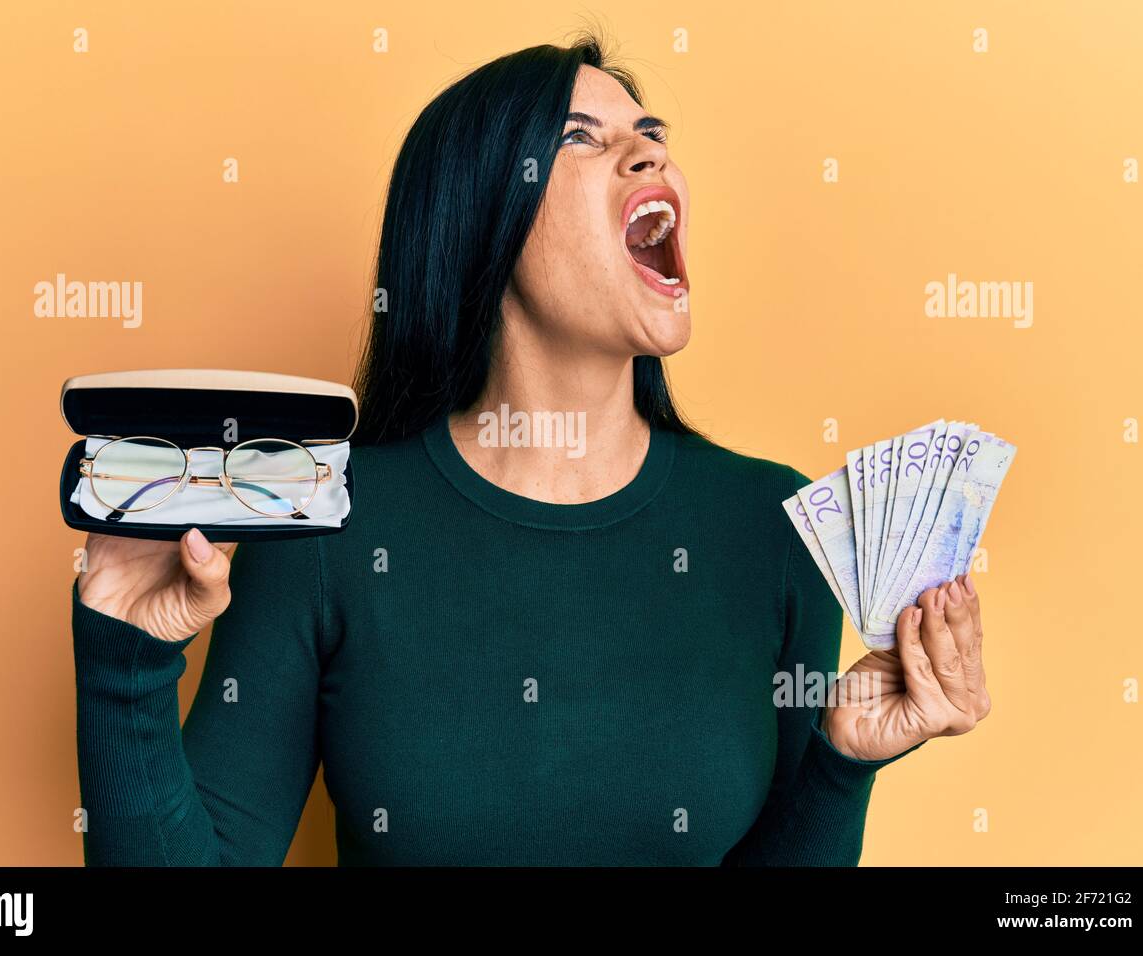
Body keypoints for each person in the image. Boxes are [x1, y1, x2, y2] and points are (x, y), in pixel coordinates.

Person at [71, 32, 988, 866]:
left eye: (651, 131)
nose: (650, 149)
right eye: (580, 137)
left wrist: (840, 764)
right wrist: (124, 658)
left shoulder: (769, 527)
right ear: (482, 221)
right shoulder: (326, 528)